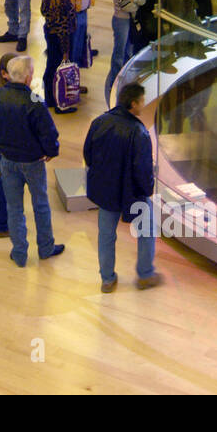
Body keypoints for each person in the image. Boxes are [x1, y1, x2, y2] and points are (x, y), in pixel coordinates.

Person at [0, 55, 62, 268]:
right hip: (33, 162)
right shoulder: (34, 100)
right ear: (28, 77)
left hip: (7, 160)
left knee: (14, 208)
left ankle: (19, 253)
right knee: (40, 204)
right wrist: (51, 151)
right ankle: (45, 248)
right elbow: (48, 131)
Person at [84, 82, 161, 292]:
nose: (144, 105)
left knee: (106, 234)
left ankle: (107, 279)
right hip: (132, 193)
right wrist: (147, 191)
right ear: (134, 103)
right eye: (142, 101)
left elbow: (88, 154)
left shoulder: (99, 122)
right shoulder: (139, 132)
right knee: (146, 231)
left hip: (105, 191)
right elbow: (143, 169)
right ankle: (145, 274)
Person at [106, 0, 144, 105]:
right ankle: (115, 80)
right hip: (121, 21)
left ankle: (126, 78)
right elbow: (126, 6)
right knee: (119, 51)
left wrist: (134, 0)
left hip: (130, 20)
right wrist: (135, 2)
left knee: (129, 50)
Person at [40, 0, 76, 111]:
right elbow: (63, 26)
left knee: (51, 66)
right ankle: (60, 103)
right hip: (60, 36)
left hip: (49, 32)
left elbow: (43, 11)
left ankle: (49, 99)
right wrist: (66, 49)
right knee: (59, 69)